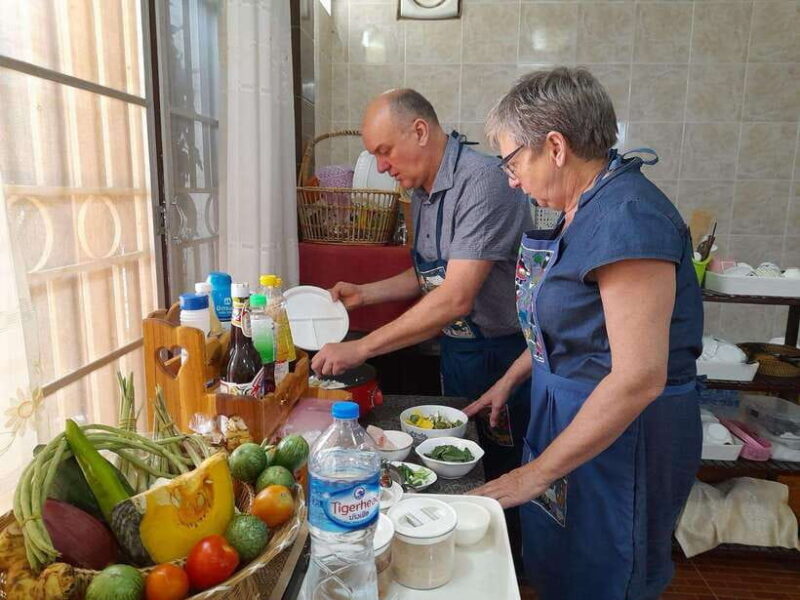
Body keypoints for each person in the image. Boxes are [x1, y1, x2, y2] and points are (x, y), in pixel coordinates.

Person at [467, 67, 703, 600]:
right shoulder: (582, 209)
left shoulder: (629, 218)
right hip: (569, 411)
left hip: (625, 432)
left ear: (554, 146)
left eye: (511, 161)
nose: (510, 179)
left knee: (606, 574)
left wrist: (536, 474)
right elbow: (569, 323)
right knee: (562, 566)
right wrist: (510, 379)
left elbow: (640, 376)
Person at [310, 88, 532, 565]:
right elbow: (430, 272)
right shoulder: (421, 192)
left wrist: (361, 347)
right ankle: (457, 555)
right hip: (460, 351)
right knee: (457, 466)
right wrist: (366, 293)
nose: (382, 166)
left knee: (501, 470)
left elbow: (454, 296)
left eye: (384, 152)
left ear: (419, 130)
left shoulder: (483, 183)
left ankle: (501, 569)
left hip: (503, 354)